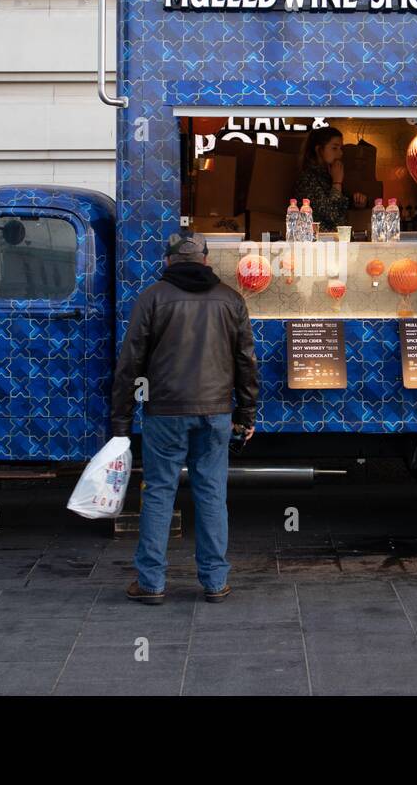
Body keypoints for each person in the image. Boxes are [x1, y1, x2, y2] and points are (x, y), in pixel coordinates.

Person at [110, 231, 259, 604]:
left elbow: (130, 364)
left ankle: (151, 583)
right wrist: (246, 412)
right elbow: (246, 363)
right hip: (215, 413)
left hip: (165, 412)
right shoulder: (230, 299)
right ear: (206, 261)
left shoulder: (152, 298)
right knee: (211, 493)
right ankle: (214, 582)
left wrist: (121, 422)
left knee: (159, 493)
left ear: (168, 261)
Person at [292, 126, 367, 232]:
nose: (340, 153)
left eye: (341, 148)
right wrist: (337, 182)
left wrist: (357, 202)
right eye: (334, 148)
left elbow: (339, 203)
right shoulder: (307, 179)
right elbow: (332, 216)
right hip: (318, 241)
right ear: (319, 150)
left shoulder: (327, 175)